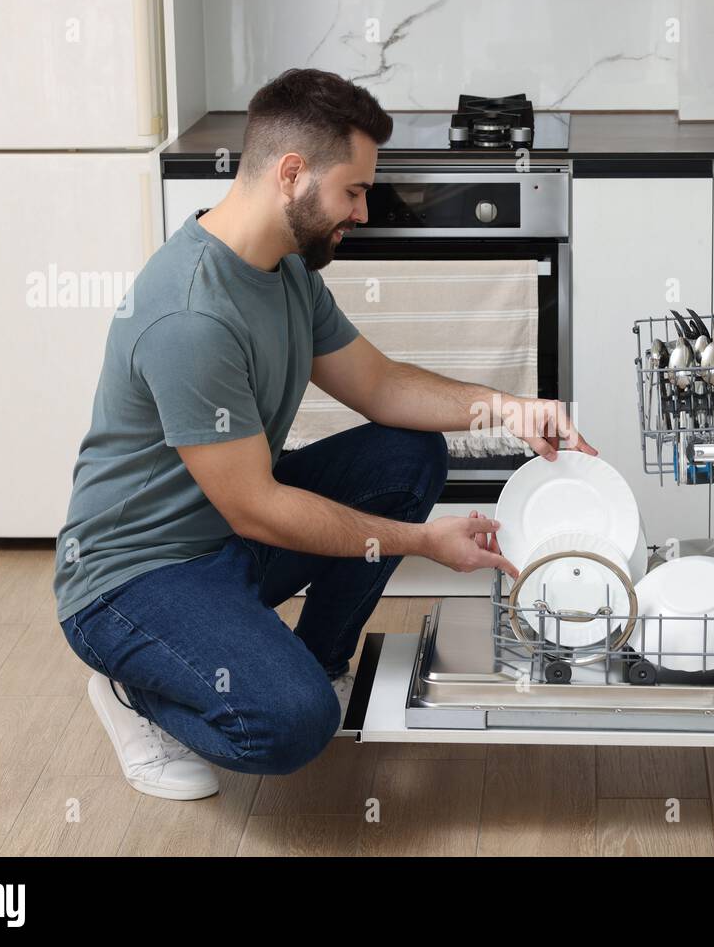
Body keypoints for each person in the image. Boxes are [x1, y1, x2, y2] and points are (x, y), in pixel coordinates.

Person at [52, 68, 595, 800]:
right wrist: (424, 540)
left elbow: (380, 385)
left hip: (225, 537)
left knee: (407, 453)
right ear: (291, 174)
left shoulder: (282, 272)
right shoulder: (191, 316)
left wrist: (512, 408)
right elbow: (258, 507)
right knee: (290, 725)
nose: (363, 212)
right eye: (354, 190)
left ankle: (314, 659)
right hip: (138, 574)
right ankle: (133, 690)